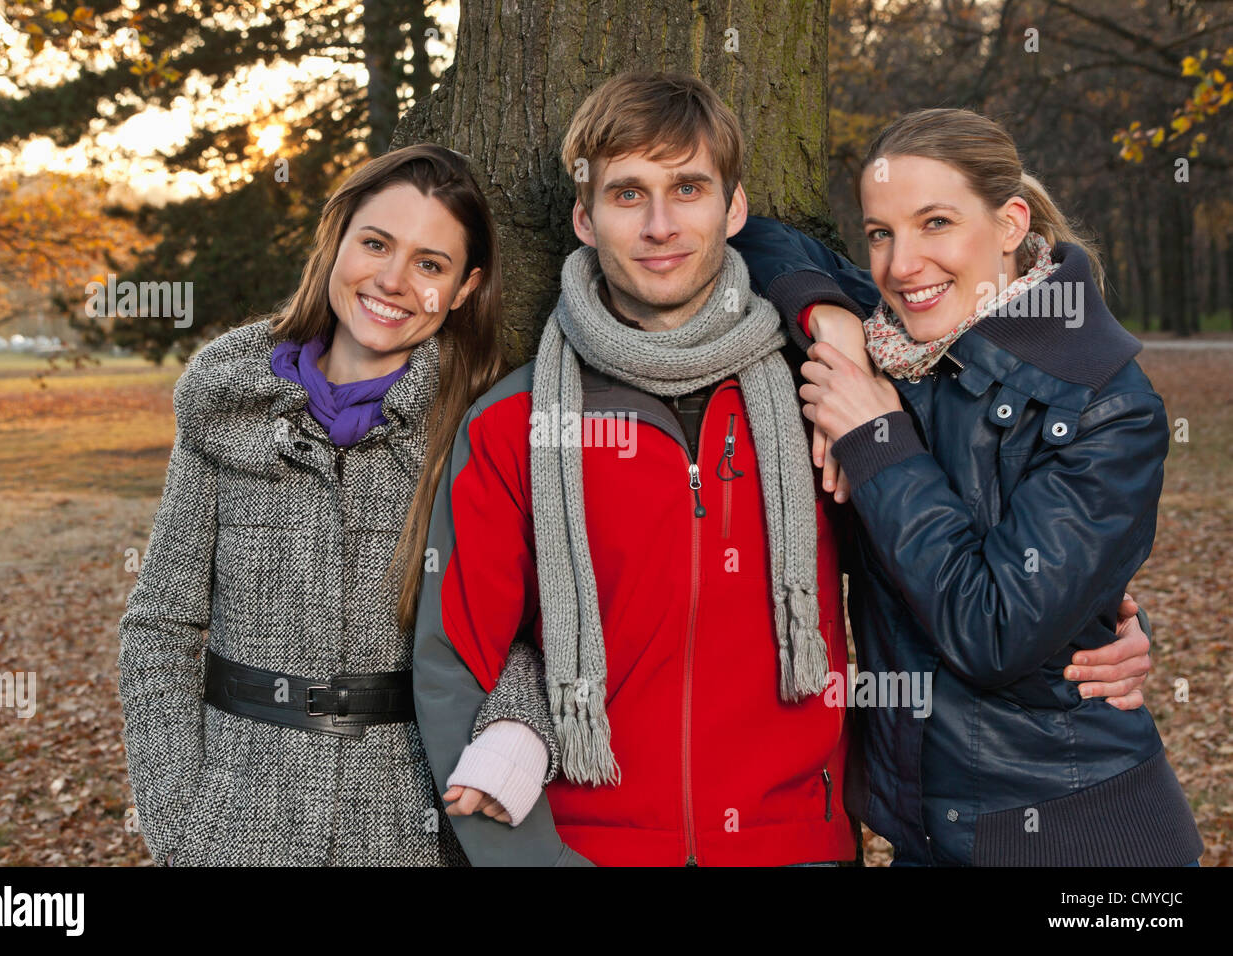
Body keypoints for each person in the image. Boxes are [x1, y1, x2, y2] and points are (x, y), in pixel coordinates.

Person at [411, 73, 1152, 866]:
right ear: (584, 220)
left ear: (733, 211)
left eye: (689, 189)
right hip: (586, 848)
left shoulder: (841, 394)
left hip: (799, 845)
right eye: (628, 195)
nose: (661, 225)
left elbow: (990, 564)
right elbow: (458, 659)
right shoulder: (515, 421)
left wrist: (1098, 621)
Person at [739, 108, 1202, 865]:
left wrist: (875, 438)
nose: (902, 263)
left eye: (936, 223)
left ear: (1011, 223)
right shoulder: (901, 347)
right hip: (931, 834)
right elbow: (753, 233)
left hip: (1079, 843)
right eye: (881, 233)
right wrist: (835, 326)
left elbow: (992, 631)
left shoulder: (1107, 403)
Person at [117, 144, 558, 866]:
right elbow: (160, 628)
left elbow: (535, 629)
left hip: (409, 822)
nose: (392, 280)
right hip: (237, 817)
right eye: (376, 243)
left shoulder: (483, 429)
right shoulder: (230, 401)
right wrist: (180, 829)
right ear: (336, 239)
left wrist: (520, 729)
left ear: (464, 288)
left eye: (429, 264)